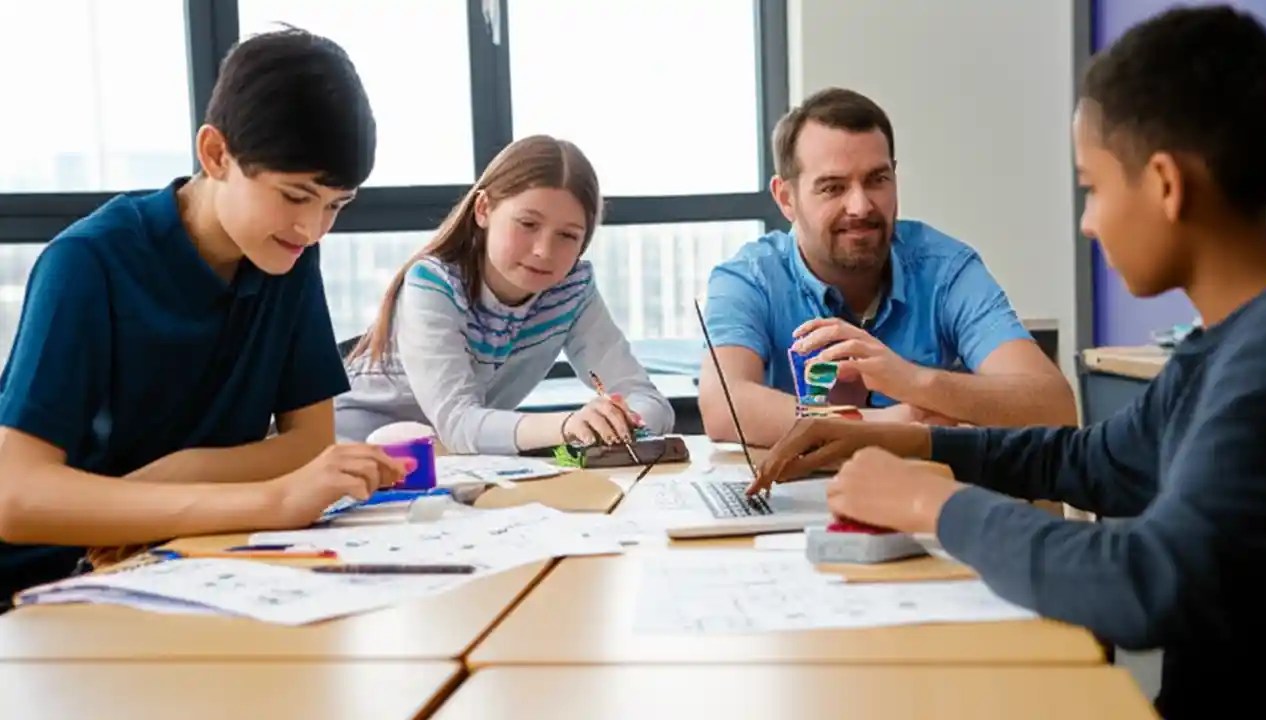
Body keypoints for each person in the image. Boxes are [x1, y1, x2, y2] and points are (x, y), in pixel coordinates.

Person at [751, 7, 1266, 718]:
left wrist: (926, 502)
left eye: (1092, 187)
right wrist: (905, 440)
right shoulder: (1221, 348)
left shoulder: (1264, 365)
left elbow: (1147, 582)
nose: (1088, 221)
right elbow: (1095, 461)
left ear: (1164, 184)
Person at [0, 28, 410, 603]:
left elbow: (309, 441)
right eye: (295, 196)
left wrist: (178, 472)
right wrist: (270, 500)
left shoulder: (288, 255)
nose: (313, 228)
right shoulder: (88, 263)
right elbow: (15, 497)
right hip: (48, 589)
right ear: (216, 154)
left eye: (336, 205)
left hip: (181, 559)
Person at [699, 87, 1077, 447]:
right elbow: (723, 405)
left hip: (921, 505)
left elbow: (1054, 406)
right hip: (793, 509)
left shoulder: (945, 270)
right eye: (832, 187)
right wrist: (878, 426)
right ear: (786, 198)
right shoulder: (749, 278)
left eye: (877, 180)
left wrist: (913, 381)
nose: (861, 206)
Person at [336, 135, 674, 454]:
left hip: (452, 464)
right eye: (528, 224)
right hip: (349, 452)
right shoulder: (434, 283)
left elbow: (649, 400)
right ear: (483, 209)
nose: (544, 250)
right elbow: (457, 422)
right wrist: (570, 425)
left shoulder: (571, 289)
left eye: (568, 236)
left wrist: (619, 420)